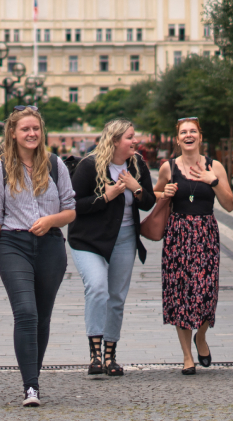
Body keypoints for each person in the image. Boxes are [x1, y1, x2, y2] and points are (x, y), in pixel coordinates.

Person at [0, 106, 76, 407]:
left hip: (50, 245)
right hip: (13, 245)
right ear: (12, 132)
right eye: (25, 129)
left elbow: (71, 210)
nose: (32, 133)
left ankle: (32, 375)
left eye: (36, 128)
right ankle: (31, 387)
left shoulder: (55, 164)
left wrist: (51, 221)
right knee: (26, 312)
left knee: (42, 317)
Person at [69, 119, 156, 377]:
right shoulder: (90, 166)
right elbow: (73, 205)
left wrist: (135, 188)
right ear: (115, 140)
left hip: (125, 238)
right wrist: (105, 197)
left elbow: (148, 201)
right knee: (97, 287)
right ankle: (95, 353)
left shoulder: (137, 164)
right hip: (89, 241)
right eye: (130, 137)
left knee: (116, 297)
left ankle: (110, 354)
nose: (135, 141)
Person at [152, 117, 233, 374]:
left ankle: (202, 336)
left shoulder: (215, 166)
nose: (188, 136)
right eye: (183, 132)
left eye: (193, 132)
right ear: (178, 139)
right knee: (180, 295)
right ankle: (187, 356)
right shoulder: (168, 167)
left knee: (206, 293)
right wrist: (164, 194)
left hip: (206, 233)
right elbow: (151, 195)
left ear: (200, 136)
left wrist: (213, 180)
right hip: (177, 235)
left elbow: (229, 204)